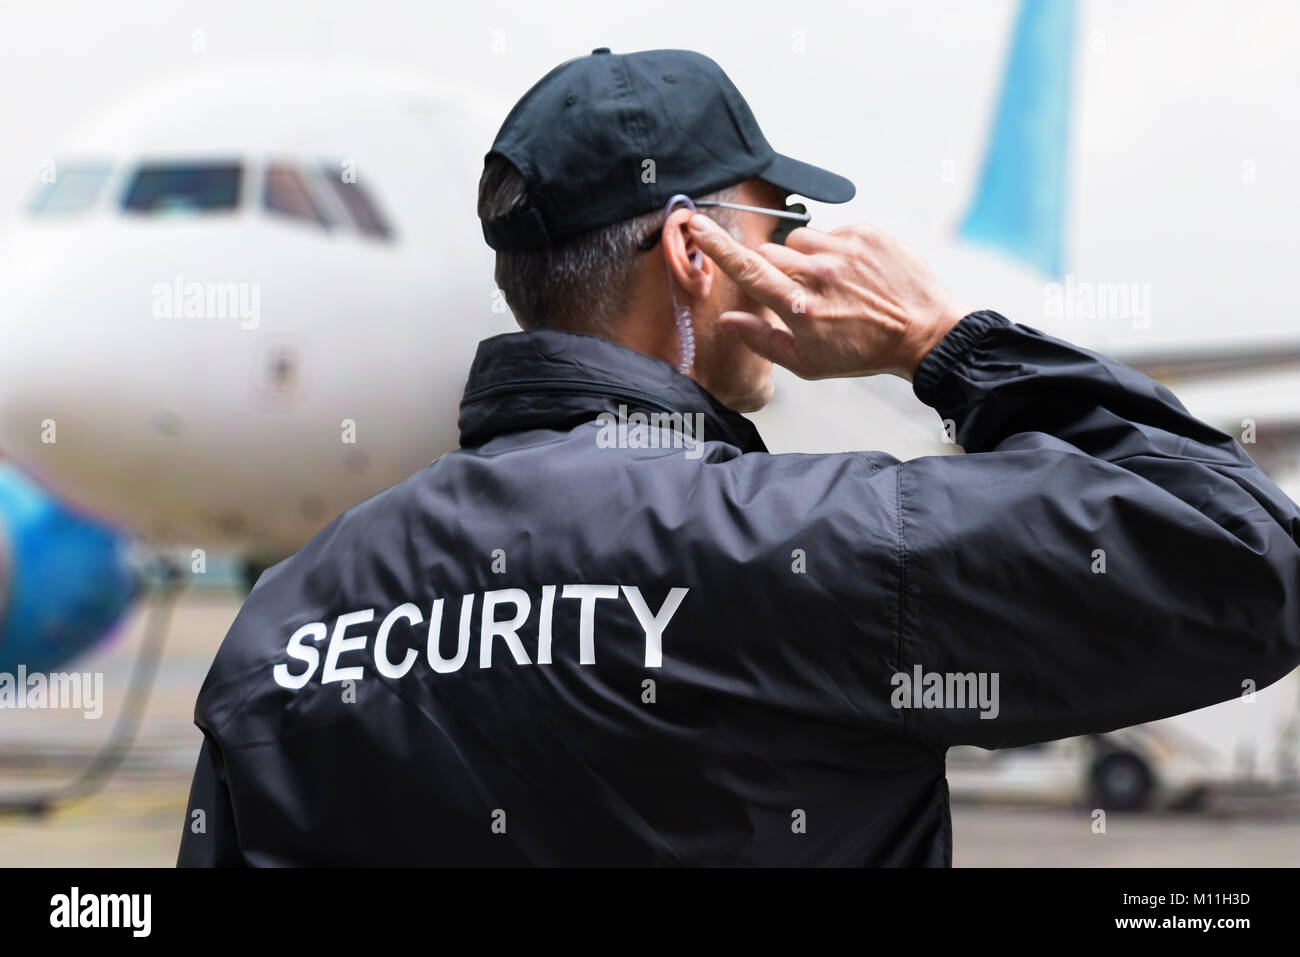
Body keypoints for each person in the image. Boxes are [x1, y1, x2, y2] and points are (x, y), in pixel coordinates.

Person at [178, 48, 1300, 866]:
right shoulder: (809, 544)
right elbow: (1246, 563)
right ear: (694, 252)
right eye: (782, 223)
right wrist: (945, 343)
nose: (800, 251)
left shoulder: (286, 618)